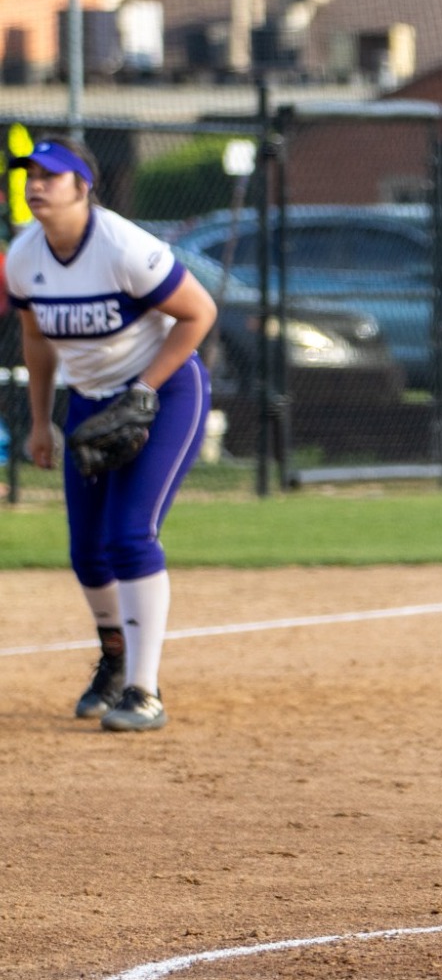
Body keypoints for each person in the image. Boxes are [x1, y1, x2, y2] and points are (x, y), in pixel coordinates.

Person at [10, 137, 217, 732]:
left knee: (130, 535)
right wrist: (41, 419)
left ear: (83, 187)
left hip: (166, 392)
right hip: (90, 404)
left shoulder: (122, 245)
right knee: (86, 551)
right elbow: (34, 339)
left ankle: (144, 691)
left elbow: (199, 312)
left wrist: (146, 387)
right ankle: (114, 658)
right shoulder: (26, 257)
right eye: (30, 175)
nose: (37, 184)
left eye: (52, 175)